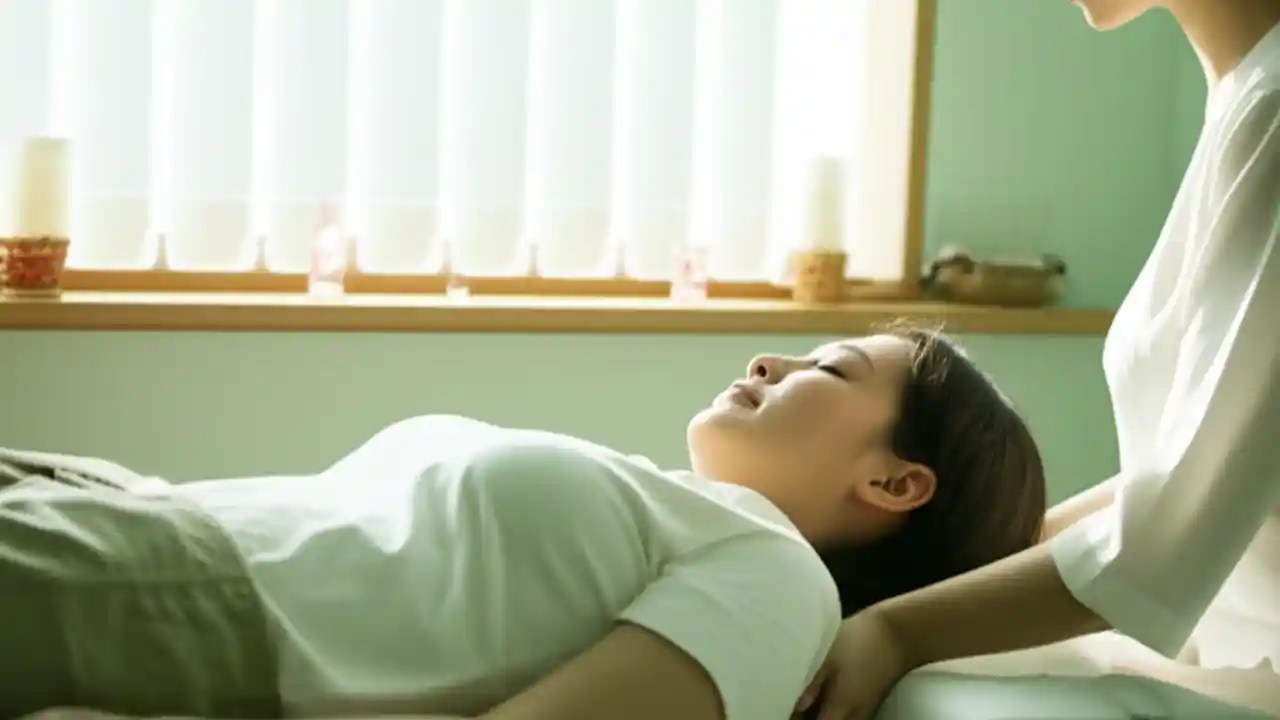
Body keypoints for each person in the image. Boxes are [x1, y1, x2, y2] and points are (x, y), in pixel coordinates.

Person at [1, 328, 1045, 720]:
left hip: (171, 601)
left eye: (828, 368)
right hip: (119, 510)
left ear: (898, 485)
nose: (769, 361)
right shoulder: (675, 508)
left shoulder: (777, 583)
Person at [801, 1, 1280, 719]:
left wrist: (897, 630)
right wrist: (982, 552)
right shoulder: (1245, 97)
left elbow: (1173, 527)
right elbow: (1192, 472)